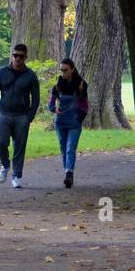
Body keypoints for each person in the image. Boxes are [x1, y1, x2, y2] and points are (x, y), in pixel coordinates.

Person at [0, 42, 41, 188]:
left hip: (22, 116)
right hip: (3, 113)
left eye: (21, 56)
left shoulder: (30, 76)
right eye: (15, 55)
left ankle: (16, 176)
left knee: (19, 147)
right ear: (12, 55)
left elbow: (36, 99)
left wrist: (29, 117)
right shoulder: (1, 72)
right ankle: (5, 165)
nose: (18, 59)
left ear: (25, 57)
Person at [48, 58, 89, 187]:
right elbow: (50, 104)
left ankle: (69, 174)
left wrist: (79, 119)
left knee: (70, 148)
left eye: (65, 70)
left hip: (74, 123)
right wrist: (54, 109)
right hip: (60, 122)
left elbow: (85, 106)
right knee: (63, 148)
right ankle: (67, 171)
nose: (63, 73)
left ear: (72, 69)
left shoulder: (81, 84)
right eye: (61, 70)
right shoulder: (58, 85)